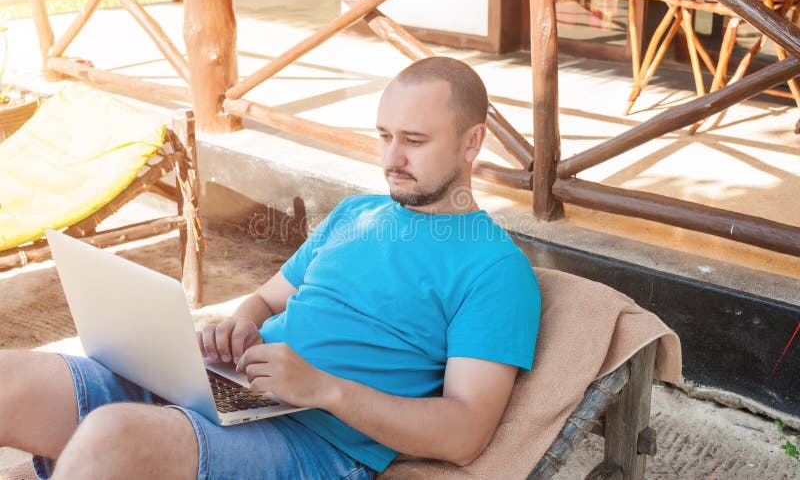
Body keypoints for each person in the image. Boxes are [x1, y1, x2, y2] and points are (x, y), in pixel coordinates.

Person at [0, 57, 541, 479]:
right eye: (384, 136)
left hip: (318, 443)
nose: (391, 158)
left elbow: (466, 432)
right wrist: (241, 321)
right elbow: (266, 299)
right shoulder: (358, 213)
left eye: (414, 141)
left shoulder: (495, 271)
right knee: (11, 377)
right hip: (231, 391)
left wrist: (325, 388)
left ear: (472, 142)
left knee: (114, 437)